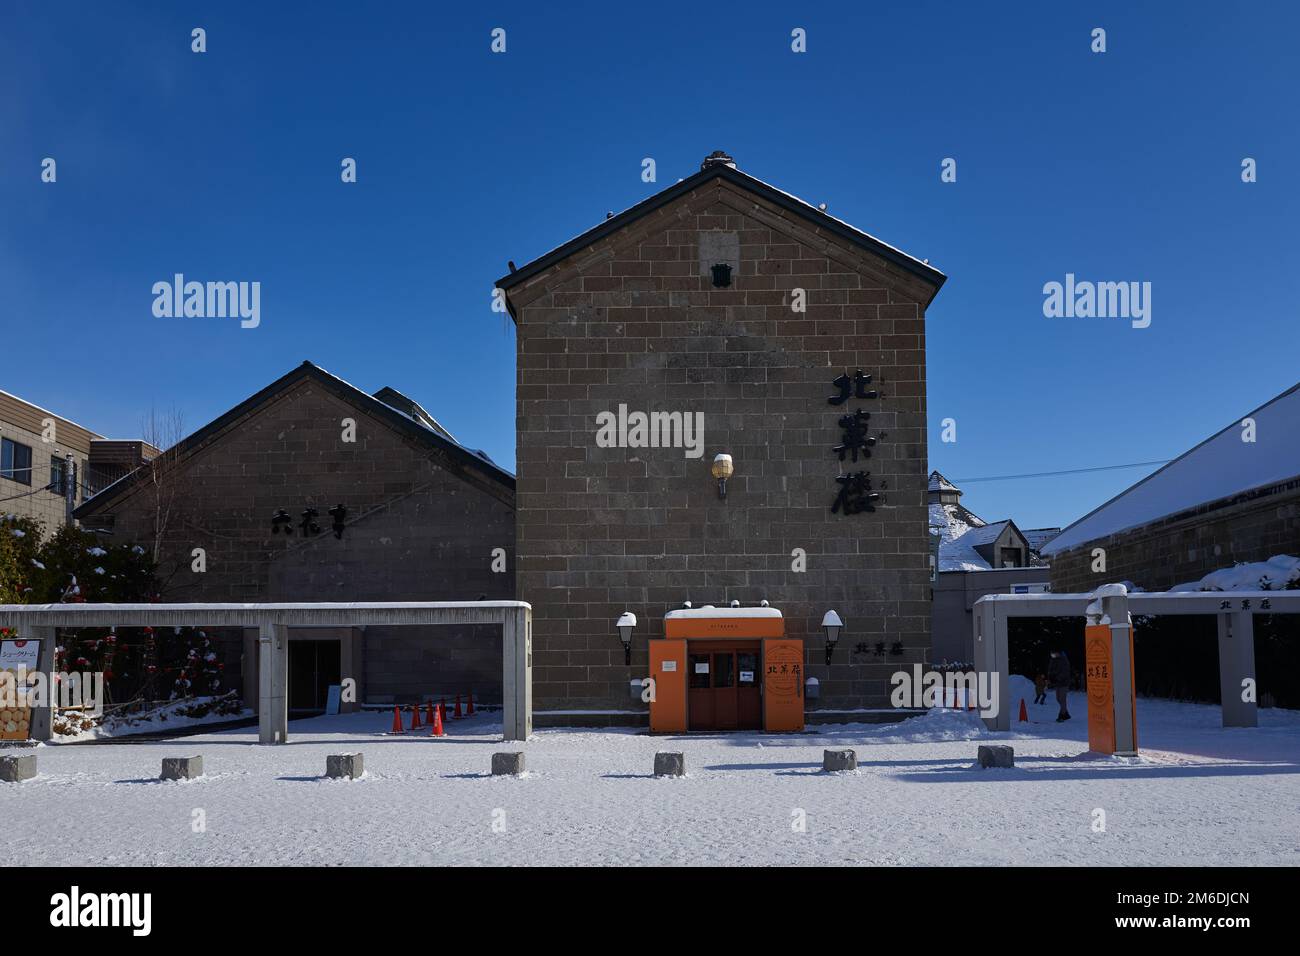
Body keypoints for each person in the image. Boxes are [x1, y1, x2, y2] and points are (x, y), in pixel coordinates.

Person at [1047, 649, 1072, 721]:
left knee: (1062, 699)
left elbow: (1065, 672)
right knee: (1058, 699)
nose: (1052, 655)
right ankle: (1066, 713)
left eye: (1053, 653)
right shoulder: (1054, 660)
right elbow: (1050, 669)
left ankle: (1061, 715)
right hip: (1058, 683)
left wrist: (1057, 678)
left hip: (1064, 682)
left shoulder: (1064, 660)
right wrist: (1050, 677)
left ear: (1058, 653)